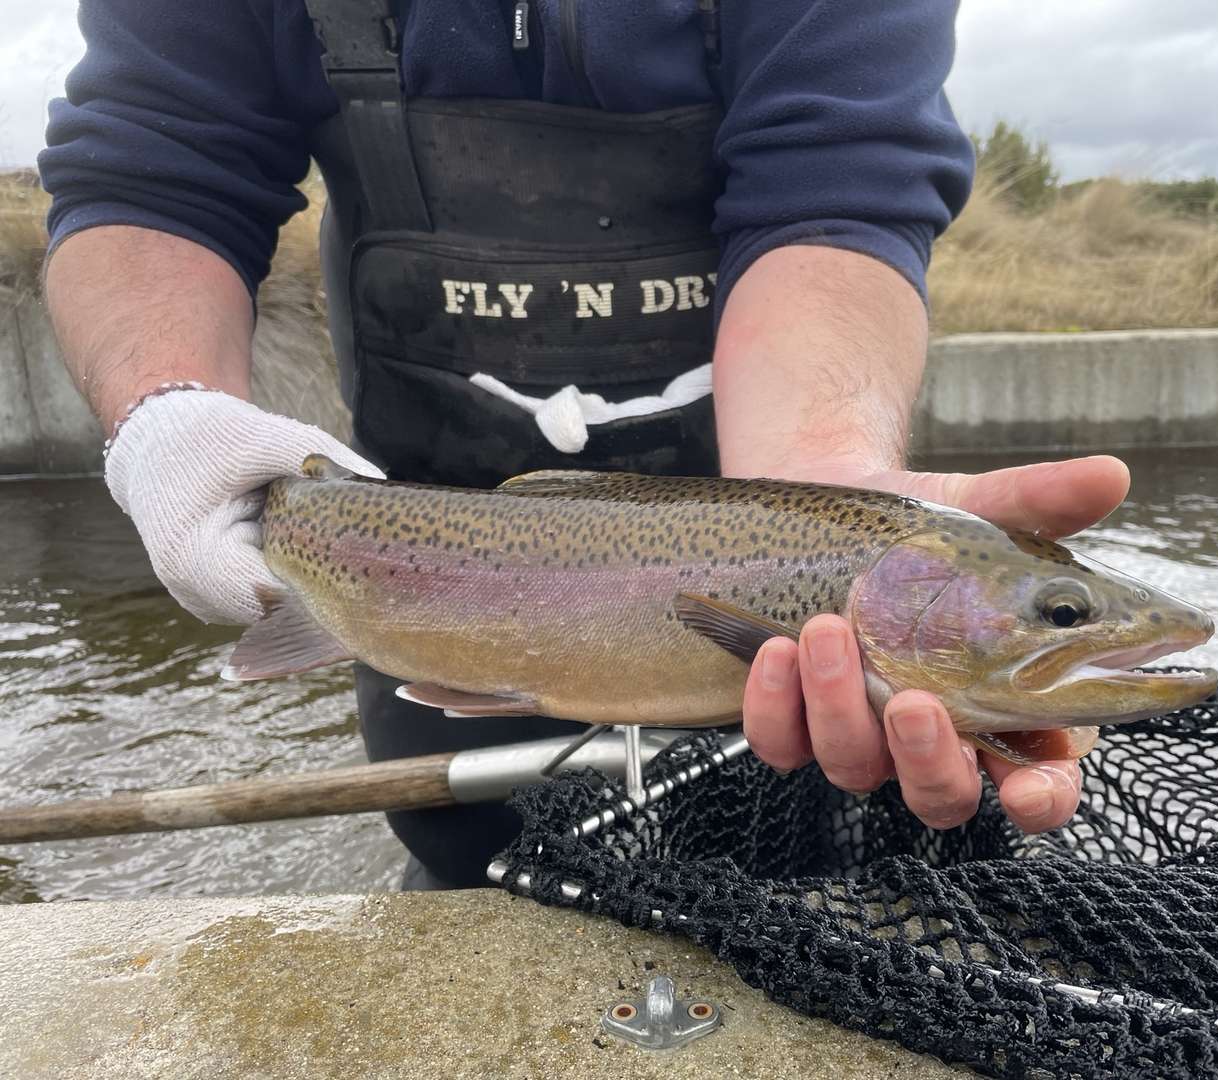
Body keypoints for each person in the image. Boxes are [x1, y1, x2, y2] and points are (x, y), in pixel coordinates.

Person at [39, 0, 1130, 889]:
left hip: (772, 585)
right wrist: (169, 413)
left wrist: (821, 459)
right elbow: (154, 171)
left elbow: (838, 187)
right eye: (1063, 616)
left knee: (818, 884)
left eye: (1061, 615)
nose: (1073, 629)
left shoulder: (871, 578)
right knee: (470, 880)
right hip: (412, 583)